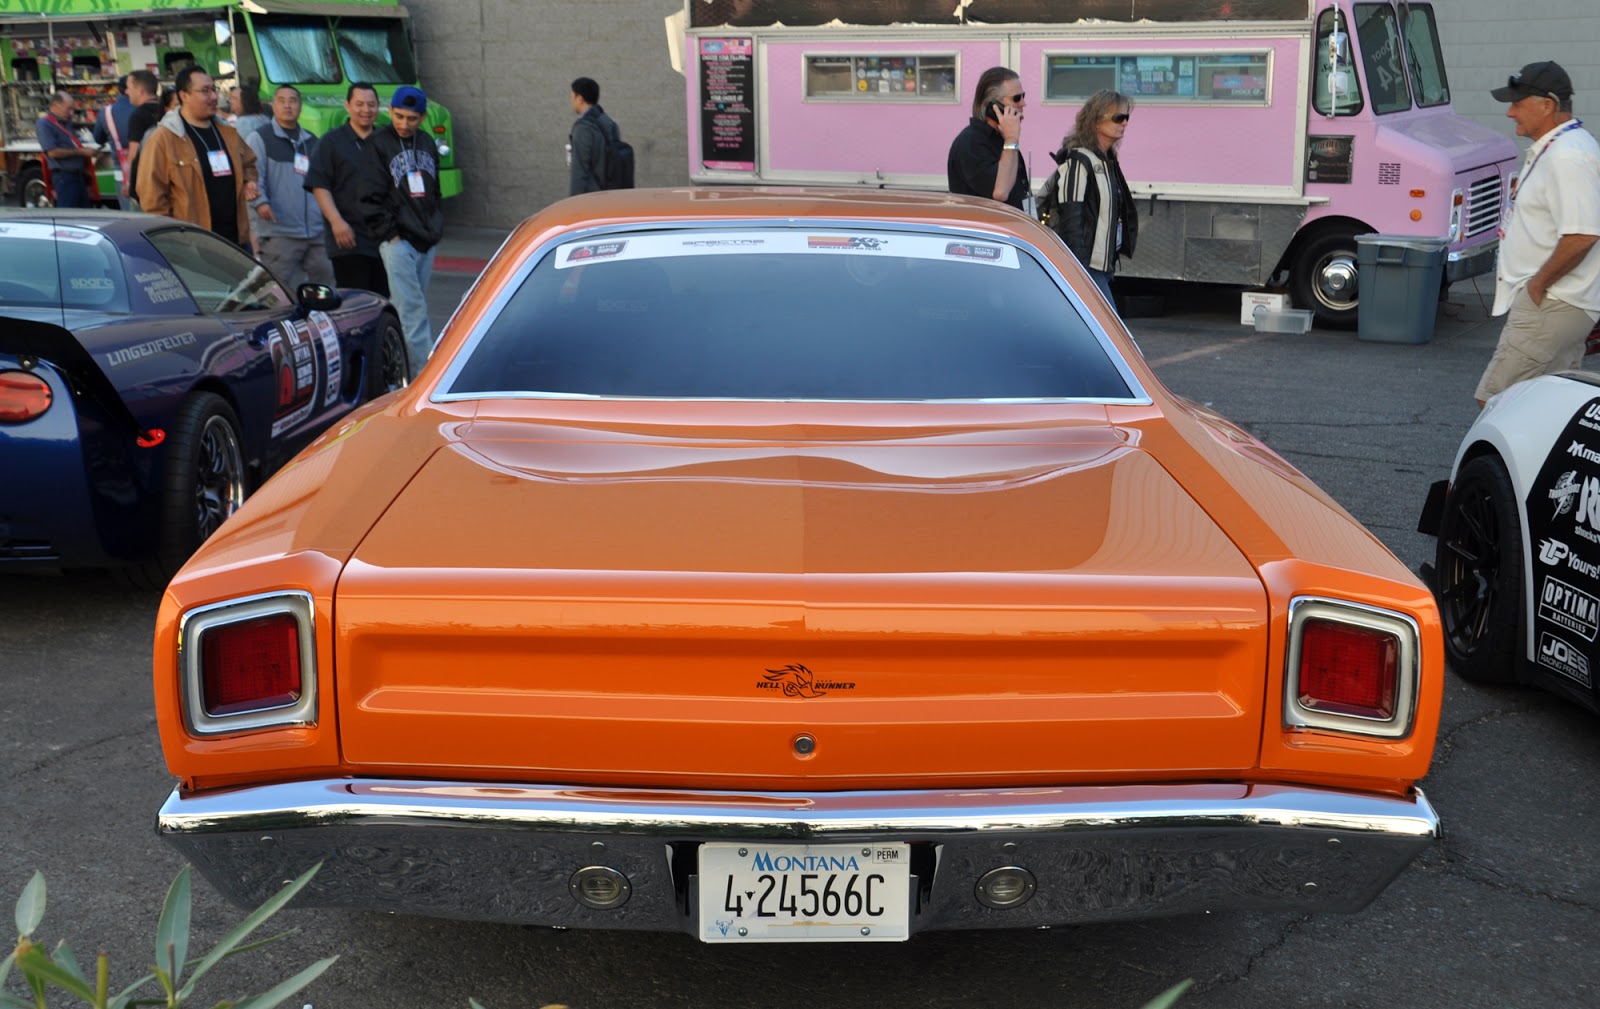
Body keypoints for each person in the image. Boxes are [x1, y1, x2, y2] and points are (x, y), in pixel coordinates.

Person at [1474, 61, 1600, 407]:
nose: (1510, 113)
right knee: (1545, 409)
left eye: (1518, 102)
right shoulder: (1559, 148)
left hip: (1553, 303)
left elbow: (1583, 235)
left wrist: (1537, 286)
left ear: (1547, 104)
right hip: (1557, 303)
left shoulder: (1569, 155)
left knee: (1497, 403)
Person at [362, 85, 444, 379]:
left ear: (422, 118)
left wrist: (435, 227)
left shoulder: (426, 142)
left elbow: (434, 190)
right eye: (399, 116)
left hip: (425, 238)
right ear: (390, 112)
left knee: (409, 308)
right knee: (412, 311)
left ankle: (398, 373)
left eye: (411, 118)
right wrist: (389, 234)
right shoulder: (378, 143)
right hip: (397, 240)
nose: (404, 124)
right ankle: (425, 378)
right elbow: (369, 193)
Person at [134, 66, 259, 250]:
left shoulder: (227, 132)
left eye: (213, 90)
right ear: (184, 96)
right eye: (205, 91)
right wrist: (171, 240)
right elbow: (152, 198)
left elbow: (249, 163)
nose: (214, 97)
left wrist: (250, 182)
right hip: (192, 247)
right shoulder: (164, 139)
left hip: (236, 242)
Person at [1050, 89, 1139, 308]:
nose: (1125, 123)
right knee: (1110, 331)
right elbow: (1071, 218)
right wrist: (1079, 269)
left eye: (1127, 117)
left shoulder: (1108, 160)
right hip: (1087, 267)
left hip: (1103, 266)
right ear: (1096, 122)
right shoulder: (1079, 162)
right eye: (1119, 117)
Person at [304, 82, 388, 297]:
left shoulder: (387, 141)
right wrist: (336, 222)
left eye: (371, 105)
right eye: (359, 104)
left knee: (383, 301)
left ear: (378, 107)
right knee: (355, 301)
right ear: (347, 106)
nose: (366, 110)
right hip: (348, 238)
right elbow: (319, 185)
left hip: (385, 238)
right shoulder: (331, 142)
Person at [248, 84, 335, 290]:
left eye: (293, 101)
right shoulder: (259, 138)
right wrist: (261, 203)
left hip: (315, 233)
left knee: (325, 290)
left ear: (300, 105)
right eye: (282, 100)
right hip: (280, 233)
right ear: (273, 105)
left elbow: (323, 183)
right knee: (276, 293)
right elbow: (252, 175)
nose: (288, 106)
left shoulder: (311, 141)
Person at [946, 66, 1029, 211]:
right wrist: (1011, 139)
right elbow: (1001, 192)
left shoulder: (1001, 140)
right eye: (1016, 98)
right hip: (986, 231)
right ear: (993, 106)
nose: (1023, 104)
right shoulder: (971, 143)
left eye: (1023, 96)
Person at [35, 92, 92, 209]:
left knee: (84, 215)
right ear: (56, 105)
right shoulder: (44, 124)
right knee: (69, 216)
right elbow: (52, 152)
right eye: (69, 109)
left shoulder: (66, 123)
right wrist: (81, 152)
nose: (71, 113)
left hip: (78, 176)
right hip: (65, 177)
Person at [569, 76, 619, 195]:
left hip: (590, 199)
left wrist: (573, 204)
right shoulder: (608, 122)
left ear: (580, 99)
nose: (572, 102)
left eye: (572, 98)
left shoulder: (583, 128)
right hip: (612, 195)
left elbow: (580, 170)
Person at [92, 75, 135, 209]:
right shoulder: (144, 109)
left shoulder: (107, 112)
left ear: (119, 90)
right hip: (147, 168)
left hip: (121, 171)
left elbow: (98, 138)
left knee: (130, 214)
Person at [123, 70, 162, 207]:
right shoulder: (168, 110)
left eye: (129, 88)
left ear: (139, 91)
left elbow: (134, 155)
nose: (126, 92)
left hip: (146, 183)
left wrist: (130, 184)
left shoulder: (138, 116)